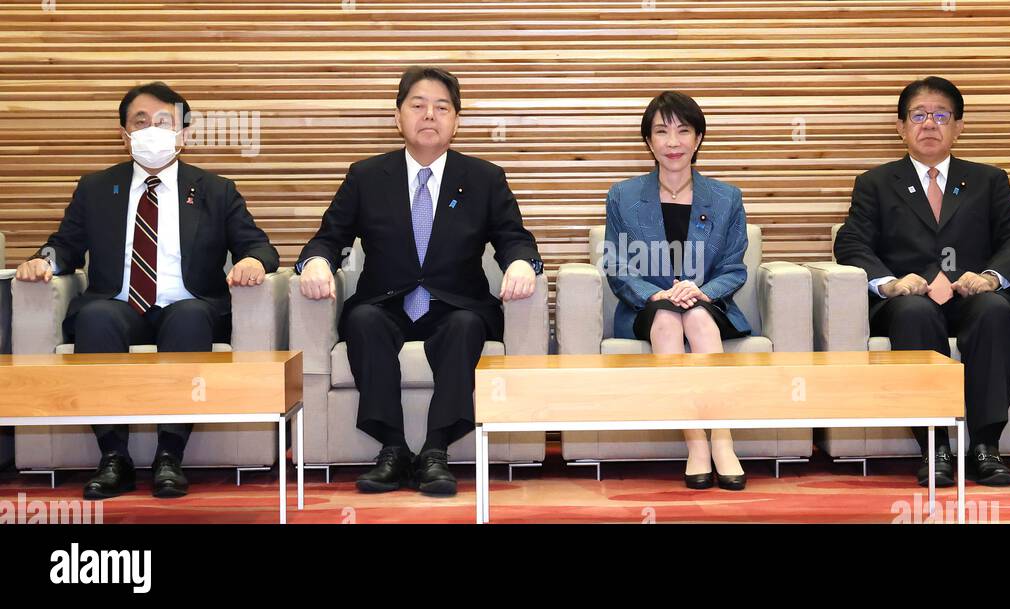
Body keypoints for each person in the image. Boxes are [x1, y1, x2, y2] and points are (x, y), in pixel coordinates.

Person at [14, 82, 279, 500]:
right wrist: (43, 261)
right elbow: (63, 244)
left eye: (163, 122)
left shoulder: (215, 189)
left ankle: (169, 456)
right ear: (124, 135)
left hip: (188, 307)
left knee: (190, 316)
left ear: (184, 134)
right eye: (141, 122)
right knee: (96, 316)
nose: (152, 130)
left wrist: (252, 262)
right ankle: (114, 457)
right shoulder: (97, 187)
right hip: (118, 305)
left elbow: (260, 246)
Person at [296, 66, 543, 497]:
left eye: (442, 107)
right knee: (363, 321)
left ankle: (435, 451)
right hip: (386, 303)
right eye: (418, 106)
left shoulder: (484, 178)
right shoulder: (367, 176)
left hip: (456, 305)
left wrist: (523, 264)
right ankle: (392, 450)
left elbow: (513, 239)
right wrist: (315, 261)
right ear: (398, 117)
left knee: (466, 326)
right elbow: (329, 236)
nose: (430, 115)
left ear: (456, 121)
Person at [834, 76, 1010, 488]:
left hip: (969, 295)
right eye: (919, 116)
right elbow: (851, 242)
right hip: (910, 298)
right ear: (901, 126)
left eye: (941, 115)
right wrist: (888, 283)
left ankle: (985, 446)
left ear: (958, 126)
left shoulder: (988, 179)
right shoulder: (875, 182)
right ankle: (934, 446)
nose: (929, 124)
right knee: (913, 311)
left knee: (996, 311)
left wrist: (991, 277)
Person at [603, 91, 751, 491]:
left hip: (707, 300)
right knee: (669, 318)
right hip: (648, 305)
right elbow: (617, 265)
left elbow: (734, 268)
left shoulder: (726, 197)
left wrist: (700, 291)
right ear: (648, 141)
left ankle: (722, 440)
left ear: (698, 139)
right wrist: (655, 295)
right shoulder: (623, 195)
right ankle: (696, 445)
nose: (673, 142)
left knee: (699, 318)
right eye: (662, 132)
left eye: (684, 131)